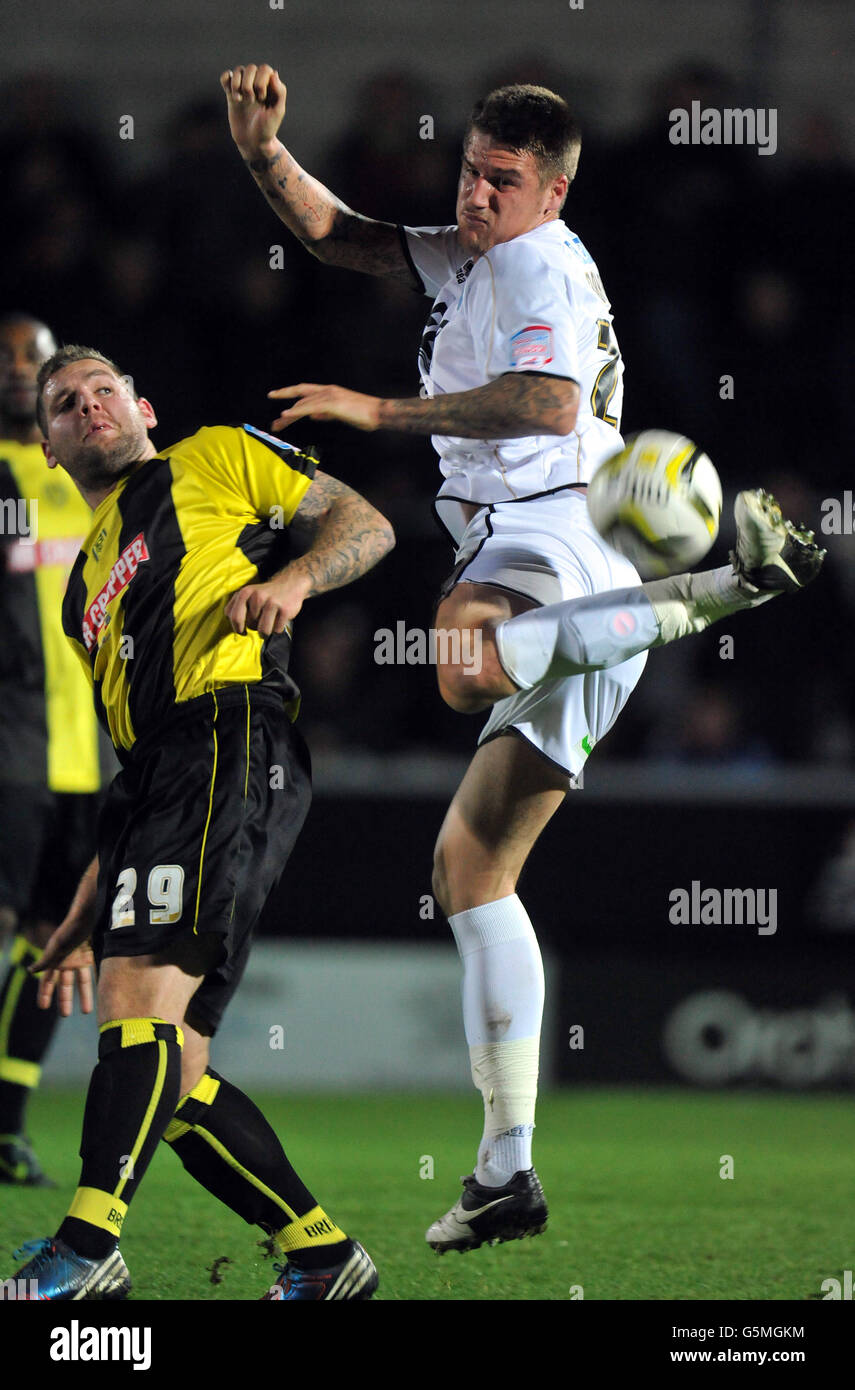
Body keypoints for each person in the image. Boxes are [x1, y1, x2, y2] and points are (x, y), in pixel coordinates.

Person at [221, 65, 824, 1254]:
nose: (479, 196)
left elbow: (549, 404)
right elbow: (346, 238)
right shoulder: (479, 251)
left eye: (503, 181)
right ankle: (507, 1168)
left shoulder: (540, 260)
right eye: (470, 172)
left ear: (553, 189)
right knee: (470, 870)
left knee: (459, 662)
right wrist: (260, 152)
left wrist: (377, 413)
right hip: (586, 582)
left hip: (560, 522)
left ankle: (709, 592)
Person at [3, 345, 394, 1300]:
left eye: (103, 390)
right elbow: (131, 772)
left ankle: (86, 1253)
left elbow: (366, 524)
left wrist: (295, 583)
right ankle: (322, 1256)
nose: (88, 406)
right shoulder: (77, 595)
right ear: (48, 446)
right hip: (165, 779)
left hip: (228, 732)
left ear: (143, 406)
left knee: (135, 1012)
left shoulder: (212, 456)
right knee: (173, 1070)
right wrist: (80, 920)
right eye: (64, 403)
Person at [0, 315, 115, 1187]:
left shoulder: (88, 485)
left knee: (56, 941)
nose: (14, 371)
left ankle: (5, 1125)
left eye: (29, 361)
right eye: (2, 360)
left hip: (89, 754)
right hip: (9, 748)